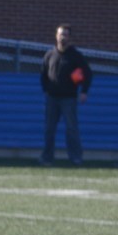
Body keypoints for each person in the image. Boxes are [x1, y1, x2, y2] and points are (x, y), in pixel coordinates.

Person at [38, 23, 91, 166]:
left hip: (69, 98)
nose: (63, 37)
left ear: (70, 38)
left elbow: (87, 74)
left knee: (71, 128)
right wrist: (46, 89)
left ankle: (75, 157)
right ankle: (47, 157)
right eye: (61, 34)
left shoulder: (76, 56)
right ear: (56, 36)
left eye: (66, 35)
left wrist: (84, 91)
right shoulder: (49, 55)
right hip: (52, 98)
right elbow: (43, 74)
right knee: (49, 129)